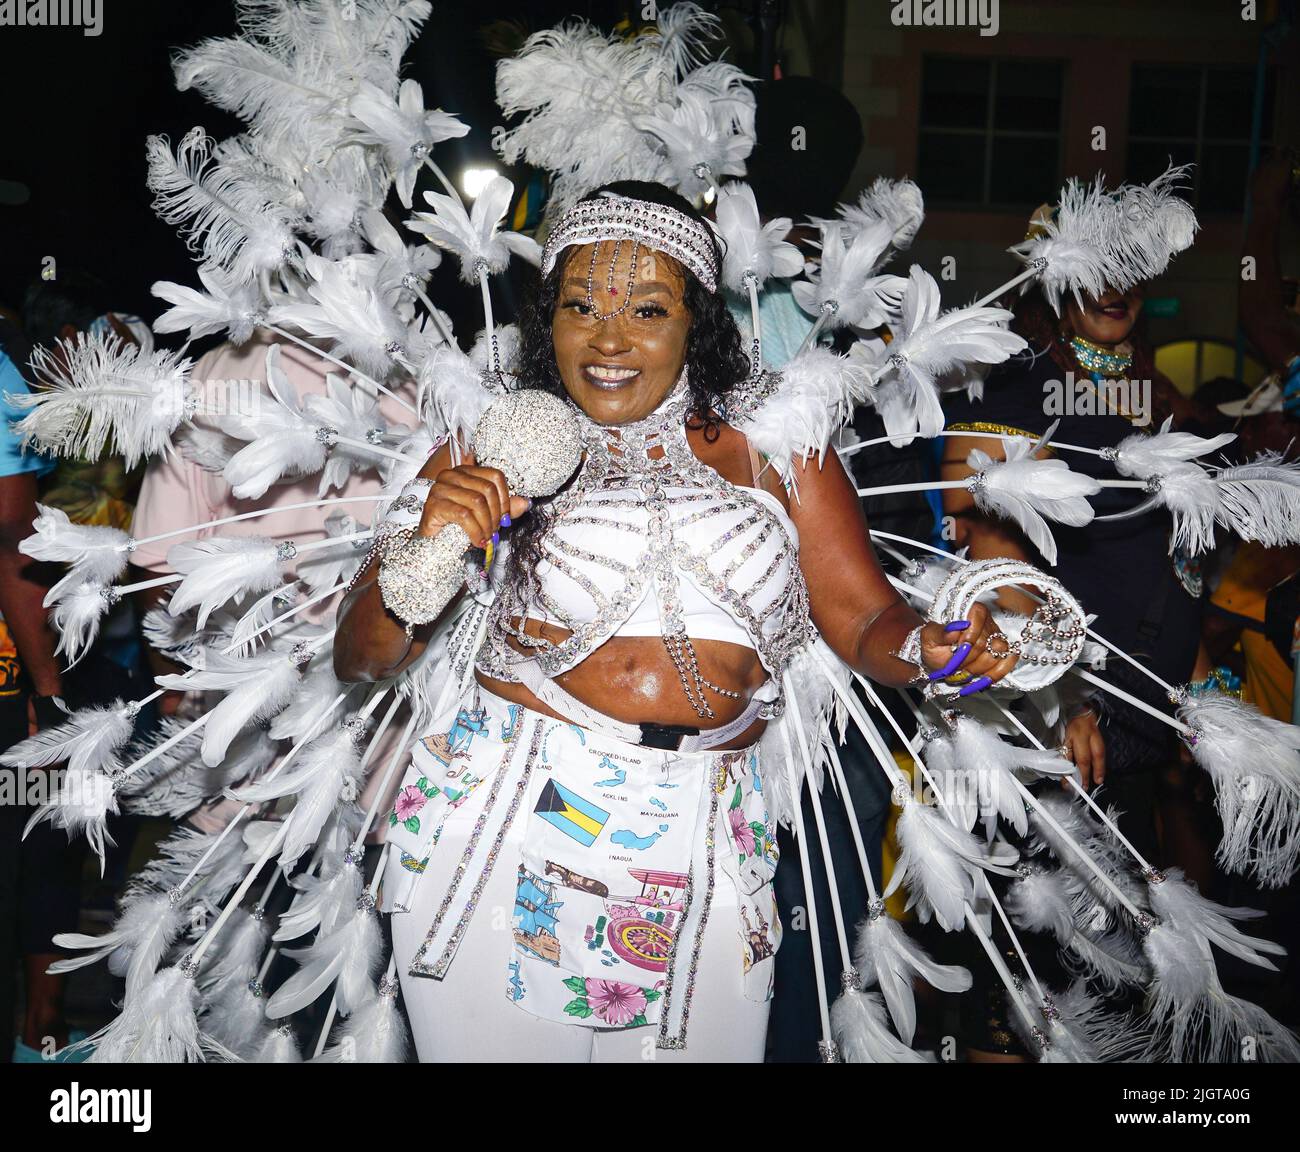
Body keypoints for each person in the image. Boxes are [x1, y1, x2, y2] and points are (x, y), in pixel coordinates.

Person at [335, 182, 1021, 1063]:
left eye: (648, 310)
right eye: (580, 306)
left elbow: (863, 619)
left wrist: (929, 644)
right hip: (509, 820)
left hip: (709, 831)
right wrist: (426, 553)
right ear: (548, 320)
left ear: (698, 323)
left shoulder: (778, 451)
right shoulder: (493, 442)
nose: (609, 338)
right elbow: (360, 657)